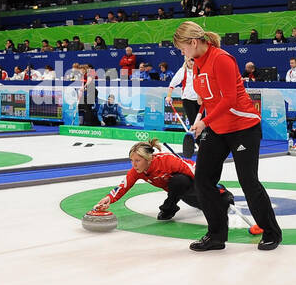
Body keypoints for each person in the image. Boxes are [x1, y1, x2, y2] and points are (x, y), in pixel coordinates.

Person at [172, 20, 282, 252]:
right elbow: (207, 99)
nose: (181, 52)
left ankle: (272, 232)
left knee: (248, 182)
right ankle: (216, 235)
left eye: (182, 47)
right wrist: (200, 117)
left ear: (193, 42)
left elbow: (229, 100)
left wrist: (205, 121)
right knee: (202, 180)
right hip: (218, 128)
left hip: (243, 127)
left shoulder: (221, 59)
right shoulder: (197, 63)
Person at [92, 139, 235, 223]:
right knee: (184, 189)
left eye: (137, 160)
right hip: (181, 193)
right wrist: (108, 199)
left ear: (148, 159)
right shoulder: (137, 171)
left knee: (180, 181)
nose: (133, 164)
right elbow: (123, 186)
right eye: (132, 160)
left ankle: (223, 193)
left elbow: (194, 170)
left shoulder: (167, 160)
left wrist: (216, 189)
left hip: (193, 183)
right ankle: (171, 208)